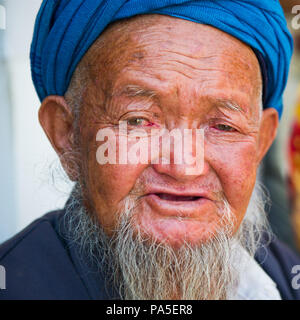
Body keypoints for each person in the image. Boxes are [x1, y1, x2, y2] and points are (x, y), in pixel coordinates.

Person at [1, 0, 300, 300]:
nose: (184, 167)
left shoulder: (283, 276)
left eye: (223, 126)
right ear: (66, 135)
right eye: (139, 121)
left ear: (261, 141)